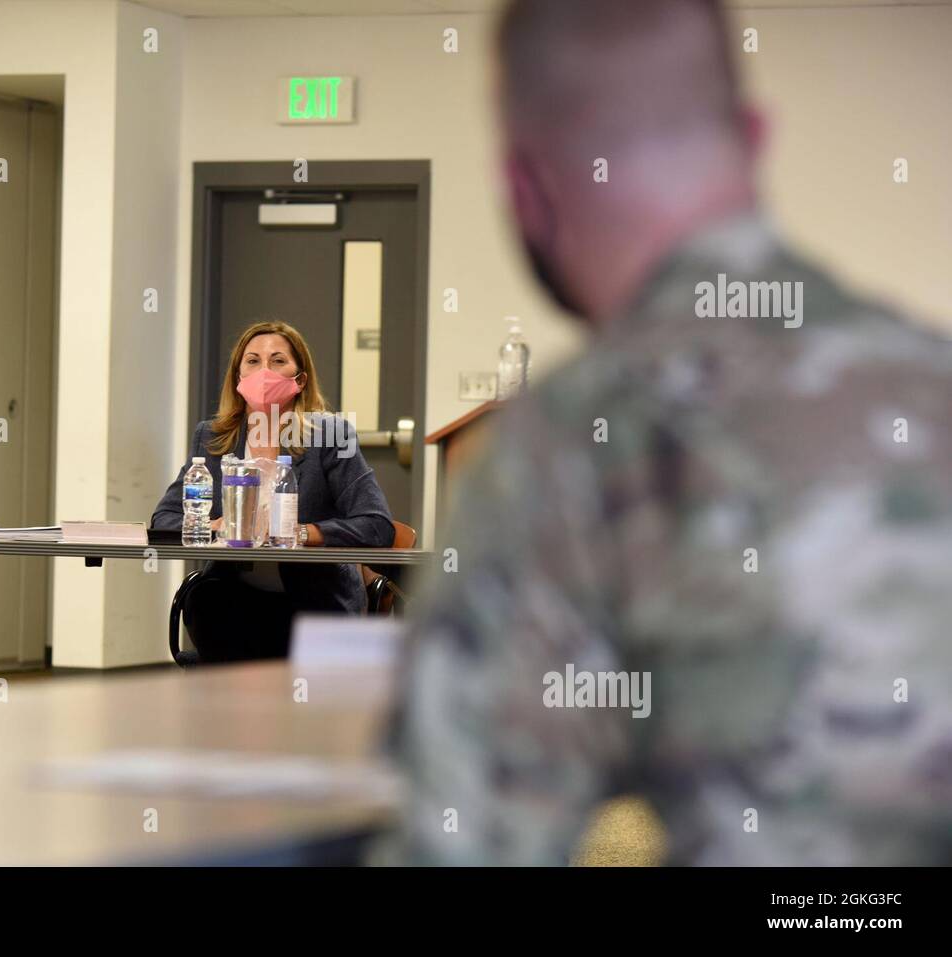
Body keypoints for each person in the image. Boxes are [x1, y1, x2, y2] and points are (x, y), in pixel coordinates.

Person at [381, 0, 952, 865]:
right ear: (757, 136)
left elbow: (468, 839)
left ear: (526, 192)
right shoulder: (931, 378)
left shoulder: (566, 444)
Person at [152, 320, 395, 663]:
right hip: (233, 596)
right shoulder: (214, 437)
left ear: (301, 380)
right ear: (238, 380)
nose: (264, 371)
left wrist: (302, 533)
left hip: (315, 599)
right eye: (252, 361)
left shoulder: (330, 435)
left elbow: (376, 524)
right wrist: (215, 526)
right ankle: (242, 709)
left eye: (278, 361)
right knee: (208, 604)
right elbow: (165, 518)